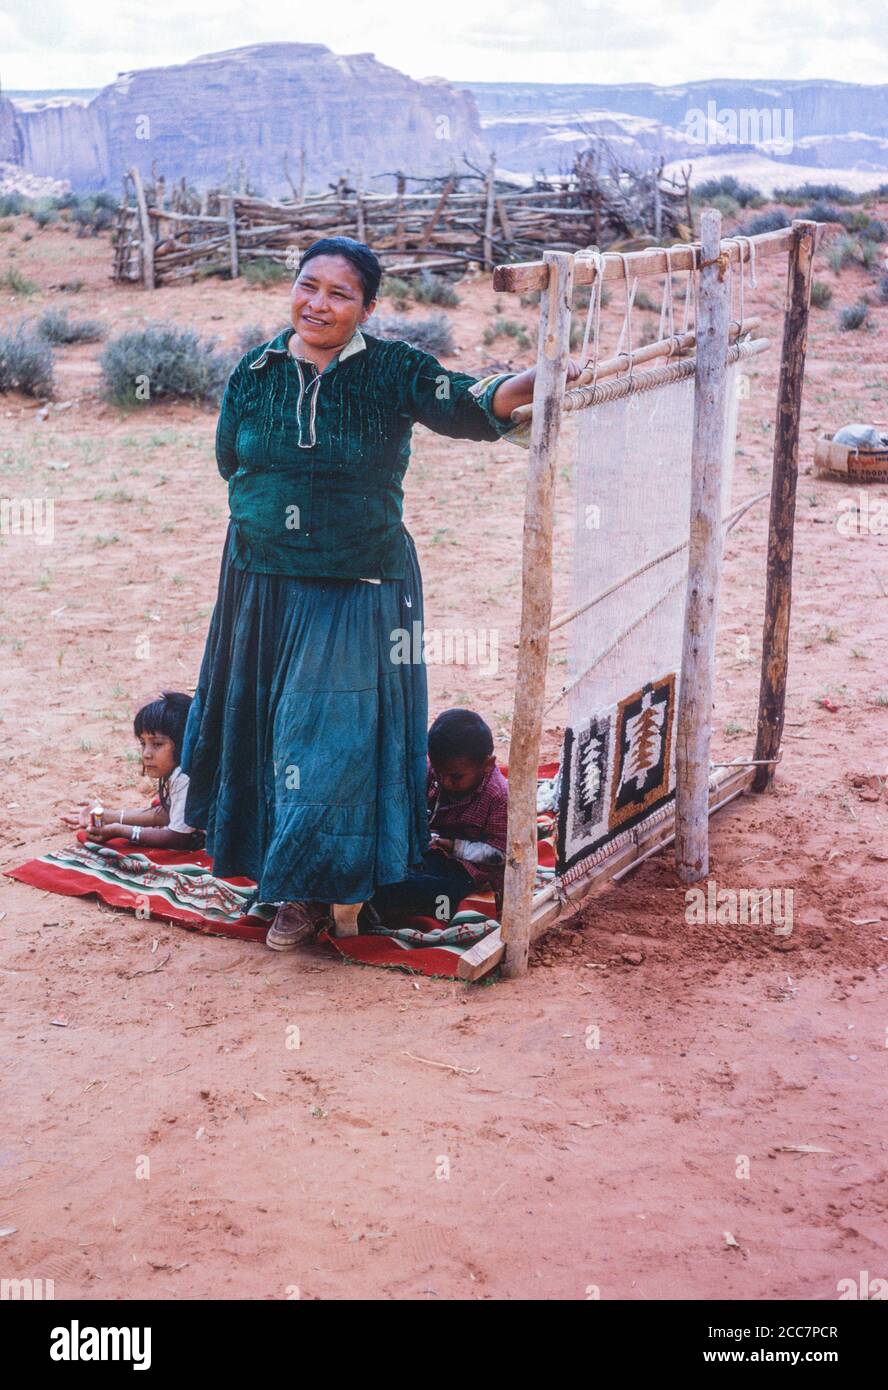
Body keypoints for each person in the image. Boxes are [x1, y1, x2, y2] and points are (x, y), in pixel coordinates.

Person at [179, 235, 580, 953]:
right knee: (267, 735)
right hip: (260, 578)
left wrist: (538, 378)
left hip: (357, 582)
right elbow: (227, 459)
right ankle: (279, 872)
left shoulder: (394, 370)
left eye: (339, 294)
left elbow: (466, 404)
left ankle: (311, 890)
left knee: (326, 738)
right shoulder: (256, 370)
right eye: (308, 286)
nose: (318, 304)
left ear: (368, 307)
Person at [370, 708, 508, 924]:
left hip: (469, 869)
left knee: (439, 889)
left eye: (455, 777)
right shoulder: (434, 770)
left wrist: (454, 846)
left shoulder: (499, 796)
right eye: (439, 773)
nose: (444, 782)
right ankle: (381, 897)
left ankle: (382, 905)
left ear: (487, 764)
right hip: (431, 851)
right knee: (392, 867)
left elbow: (501, 853)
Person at [62, 691, 203, 850]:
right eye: (143, 743)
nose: (146, 754)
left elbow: (178, 838)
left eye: (157, 744)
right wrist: (110, 816)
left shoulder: (185, 777)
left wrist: (122, 831)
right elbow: (164, 814)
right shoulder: (179, 771)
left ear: (183, 742)